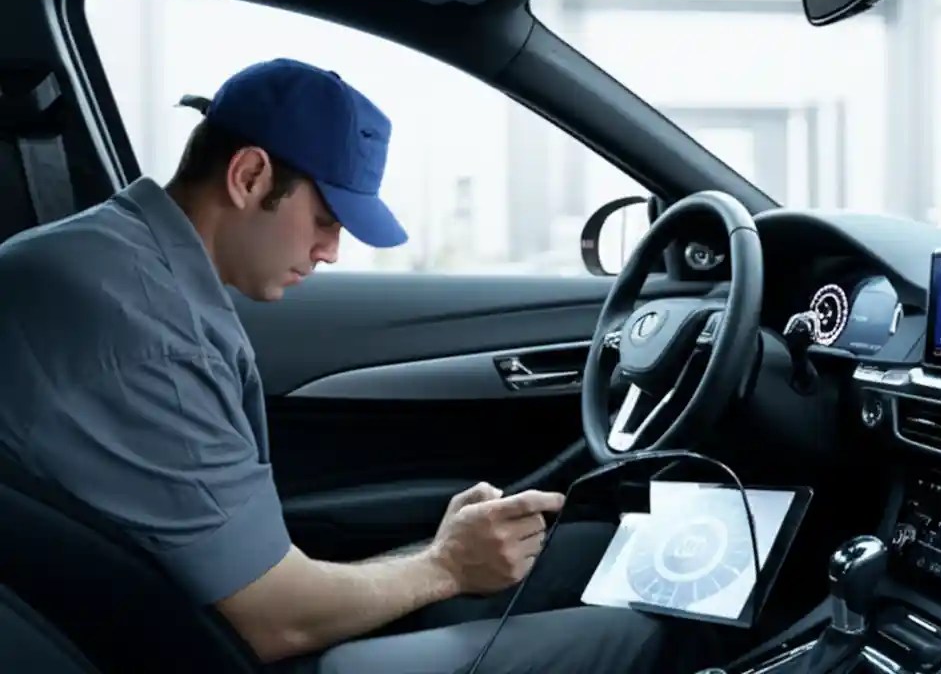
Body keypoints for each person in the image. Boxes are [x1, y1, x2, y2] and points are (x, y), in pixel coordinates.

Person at [0, 58, 729, 673]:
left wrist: (440, 553)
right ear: (249, 176)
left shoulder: (97, 263)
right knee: (640, 632)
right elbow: (275, 620)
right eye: (325, 220)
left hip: (155, 621)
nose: (330, 251)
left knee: (578, 557)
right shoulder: (148, 334)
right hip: (203, 649)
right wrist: (444, 566)